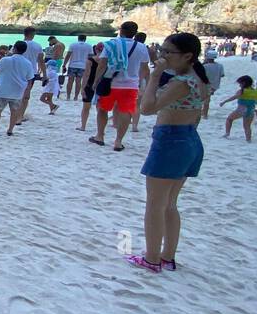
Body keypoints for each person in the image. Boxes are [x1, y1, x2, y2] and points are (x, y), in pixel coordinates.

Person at [128, 33, 208, 273]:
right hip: (189, 139)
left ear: (187, 56)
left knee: (155, 204)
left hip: (172, 140)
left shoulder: (181, 82)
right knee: (170, 203)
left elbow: (147, 108)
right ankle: (167, 256)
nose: (162, 56)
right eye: (161, 51)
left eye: (167, 52)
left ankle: (152, 259)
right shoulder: (198, 78)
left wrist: (154, 77)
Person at [89, 22, 150, 151]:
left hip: (110, 82)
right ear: (135, 32)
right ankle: (118, 141)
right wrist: (140, 82)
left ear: (121, 31)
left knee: (102, 109)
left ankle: (100, 136)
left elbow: (102, 64)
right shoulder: (141, 47)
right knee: (126, 111)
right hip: (131, 85)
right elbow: (144, 68)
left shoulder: (112, 44)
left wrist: (96, 81)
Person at [0, 42, 32, 137]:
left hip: (3, 90)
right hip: (18, 91)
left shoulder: (6, 60)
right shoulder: (28, 63)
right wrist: (27, 91)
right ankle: (10, 130)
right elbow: (29, 79)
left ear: (14, 49)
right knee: (14, 111)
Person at [15, 28, 46, 123]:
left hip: (18, 71)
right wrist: (44, 74)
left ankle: (16, 115)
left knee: (17, 94)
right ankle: (20, 116)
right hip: (31, 72)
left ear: (24, 34)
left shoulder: (17, 44)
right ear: (33, 34)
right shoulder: (37, 45)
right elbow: (41, 61)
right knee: (26, 95)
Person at [220, 75, 257, 141]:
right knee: (247, 126)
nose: (239, 85)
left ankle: (227, 133)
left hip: (241, 110)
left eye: (240, 83)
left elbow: (234, 97)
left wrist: (224, 102)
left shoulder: (242, 91)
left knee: (229, 119)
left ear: (243, 83)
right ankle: (248, 139)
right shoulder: (256, 92)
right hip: (251, 110)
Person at [79, 42, 105, 131]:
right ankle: (100, 129)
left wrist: (82, 88)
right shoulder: (107, 61)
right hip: (101, 84)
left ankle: (83, 126)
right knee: (100, 108)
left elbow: (86, 74)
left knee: (86, 106)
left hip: (90, 84)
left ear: (96, 49)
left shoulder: (90, 60)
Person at [200, 50, 224, 119]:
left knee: (204, 100)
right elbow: (222, 75)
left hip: (205, 84)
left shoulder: (205, 66)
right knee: (207, 99)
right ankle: (204, 113)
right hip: (215, 85)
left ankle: (205, 114)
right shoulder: (220, 66)